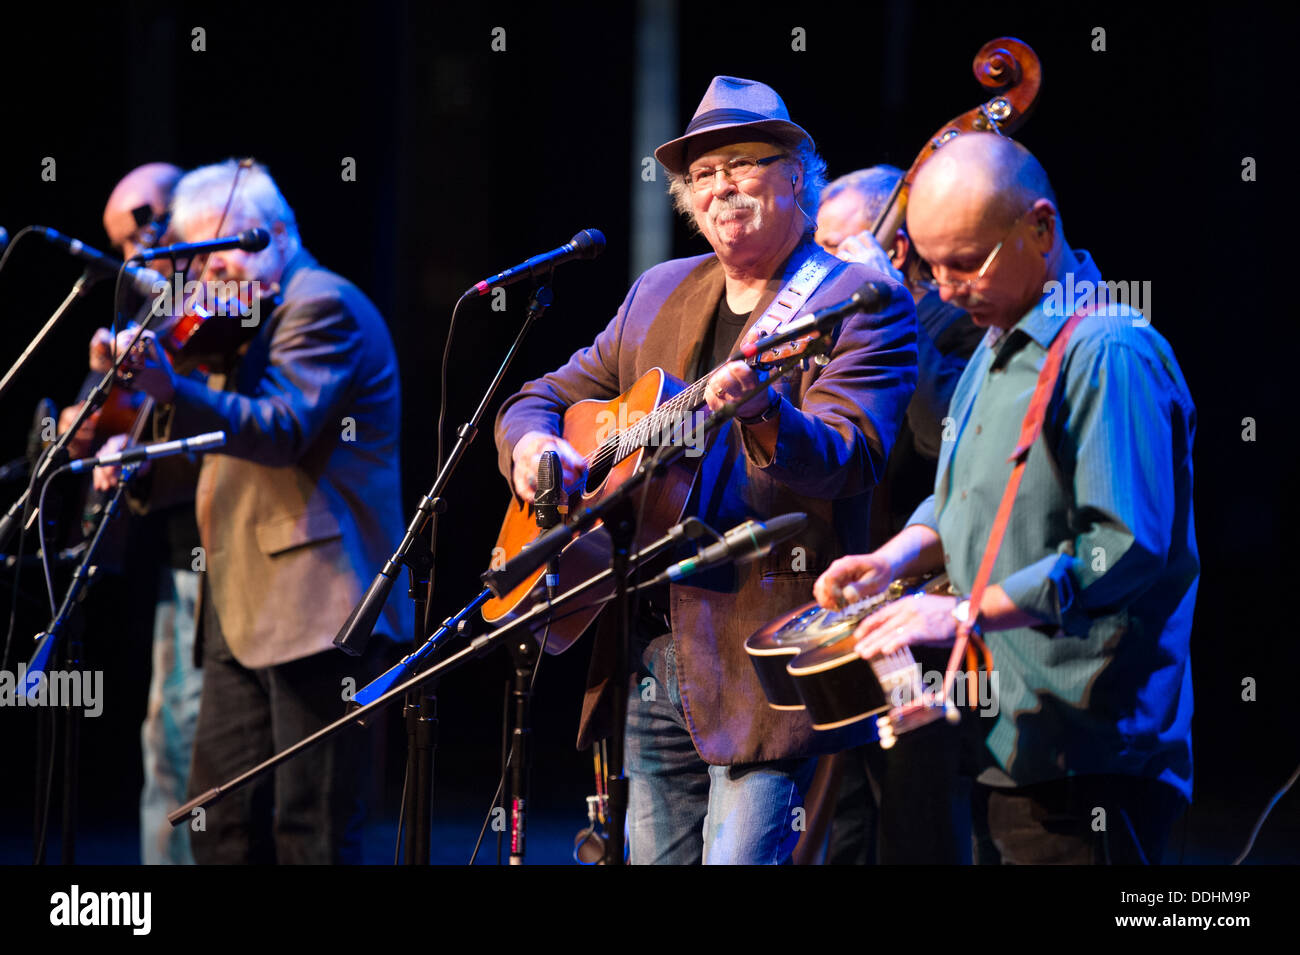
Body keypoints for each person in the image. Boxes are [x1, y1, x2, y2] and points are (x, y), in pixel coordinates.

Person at [494, 76, 918, 864]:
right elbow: (542, 395)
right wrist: (533, 448)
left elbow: (852, 454)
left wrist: (764, 411)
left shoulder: (858, 299)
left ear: (796, 173)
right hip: (647, 651)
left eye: (742, 163)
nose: (720, 186)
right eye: (703, 173)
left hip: (766, 651)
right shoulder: (660, 289)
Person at [814, 133, 1197, 864]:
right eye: (930, 266)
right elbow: (967, 497)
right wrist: (894, 555)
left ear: (1042, 228)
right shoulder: (996, 338)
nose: (947, 288)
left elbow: (1121, 546)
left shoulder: (1108, 351)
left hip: (1085, 751)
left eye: (965, 261)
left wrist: (961, 608)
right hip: (1002, 732)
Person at [114, 159, 411, 863]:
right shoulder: (245, 316)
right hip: (242, 604)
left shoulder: (320, 304)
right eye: (193, 262)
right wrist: (149, 399)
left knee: (311, 828)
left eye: (214, 257)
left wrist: (171, 385)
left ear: (269, 234)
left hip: (321, 607)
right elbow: (209, 434)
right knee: (218, 820)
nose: (204, 278)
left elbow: (280, 428)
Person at [802, 166, 986, 865]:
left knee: (915, 817)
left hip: (927, 621)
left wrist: (894, 318)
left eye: (834, 249)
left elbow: (954, 445)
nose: (820, 269)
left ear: (895, 251)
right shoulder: (837, 331)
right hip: (851, 607)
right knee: (846, 822)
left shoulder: (963, 324)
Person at [55, 163, 202, 864]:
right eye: (118, 244)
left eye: (140, 231)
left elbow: (236, 426)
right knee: (163, 736)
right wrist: (89, 407)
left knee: (193, 734)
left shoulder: (223, 305)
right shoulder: (147, 312)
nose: (131, 257)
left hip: (223, 553)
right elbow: (89, 427)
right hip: (172, 550)